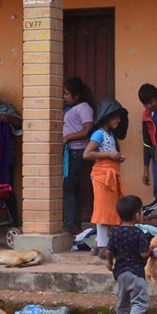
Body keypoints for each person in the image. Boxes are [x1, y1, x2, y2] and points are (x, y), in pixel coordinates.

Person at [84, 98, 128, 257]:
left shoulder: (109, 134)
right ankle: (103, 246)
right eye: (114, 117)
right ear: (106, 117)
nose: (118, 120)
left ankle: (100, 243)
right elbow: (87, 154)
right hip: (102, 176)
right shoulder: (99, 134)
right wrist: (109, 154)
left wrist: (115, 158)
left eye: (119, 117)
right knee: (103, 211)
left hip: (110, 174)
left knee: (110, 209)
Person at [108, 194, 150, 314]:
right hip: (135, 273)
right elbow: (143, 253)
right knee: (140, 301)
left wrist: (109, 264)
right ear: (137, 215)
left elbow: (109, 251)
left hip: (120, 273)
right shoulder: (139, 233)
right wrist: (152, 250)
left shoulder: (115, 231)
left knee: (123, 300)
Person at [62, 77, 95, 235]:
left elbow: (87, 130)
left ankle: (71, 224)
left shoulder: (84, 107)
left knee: (69, 188)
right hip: (71, 152)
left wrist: (68, 137)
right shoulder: (71, 108)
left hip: (78, 152)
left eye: (67, 94)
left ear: (76, 95)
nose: (64, 97)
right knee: (72, 188)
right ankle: (73, 223)